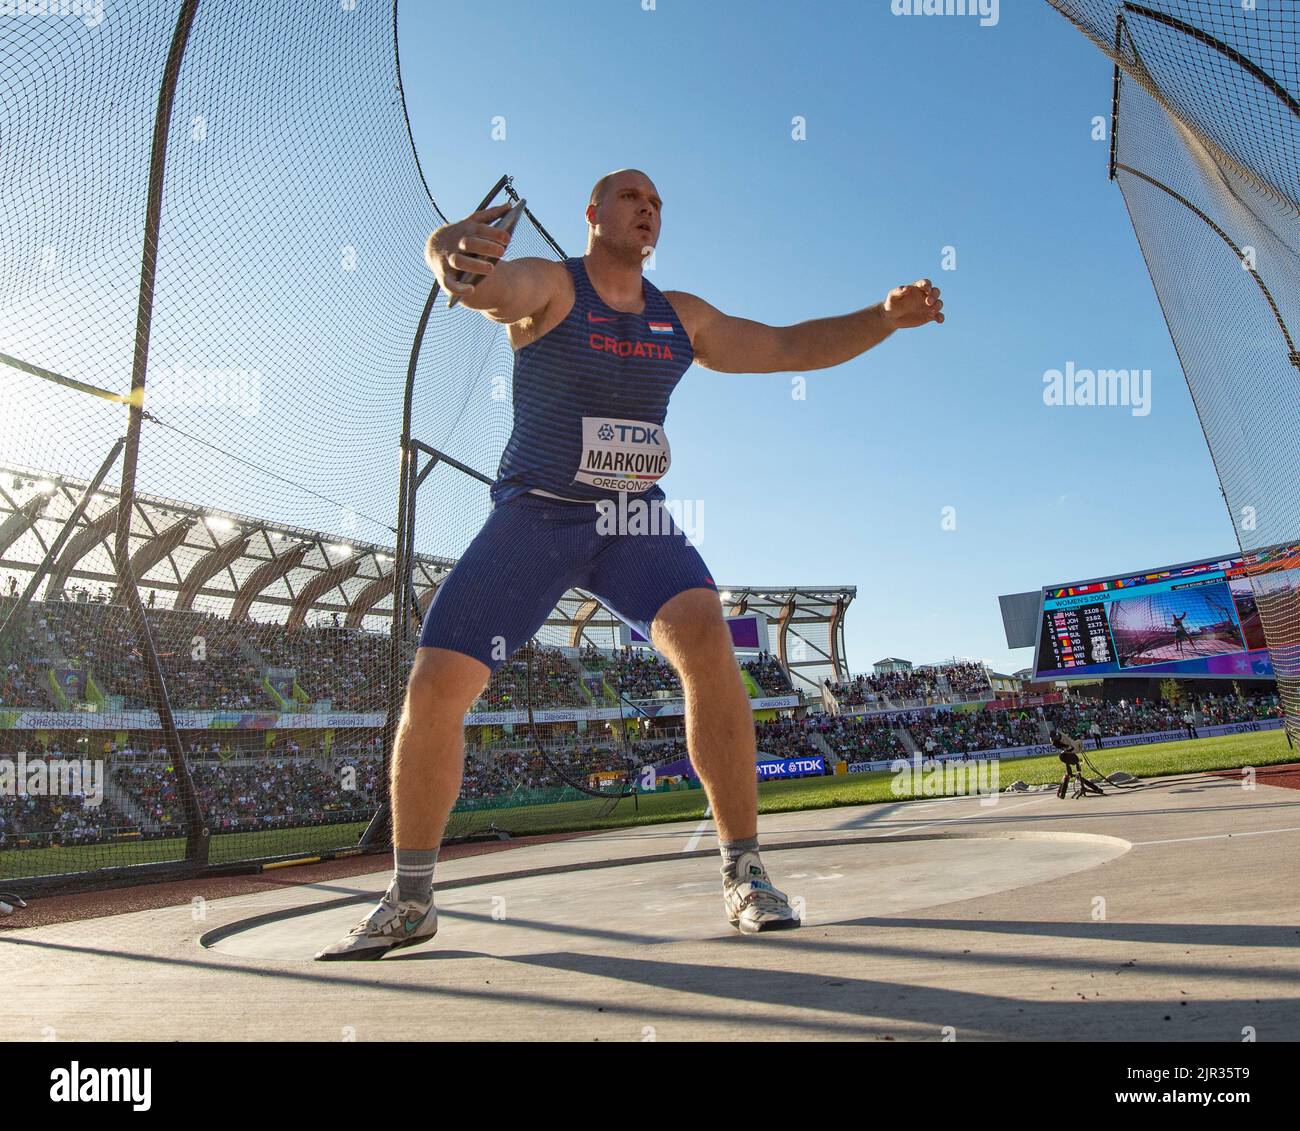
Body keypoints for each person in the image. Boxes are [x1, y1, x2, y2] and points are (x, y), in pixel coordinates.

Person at [316, 169, 944, 960]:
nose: (647, 210)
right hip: (537, 512)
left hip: (630, 515)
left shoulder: (680, 316)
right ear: (593, 213)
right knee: (436, 683)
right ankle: (410, 897)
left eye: (657, 204)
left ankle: (745, 869)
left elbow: (787, 345)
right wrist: (445, 251)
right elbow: (486, 286)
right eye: (631, 197)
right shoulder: (554, 285)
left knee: (706, 635)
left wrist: (883, 318)